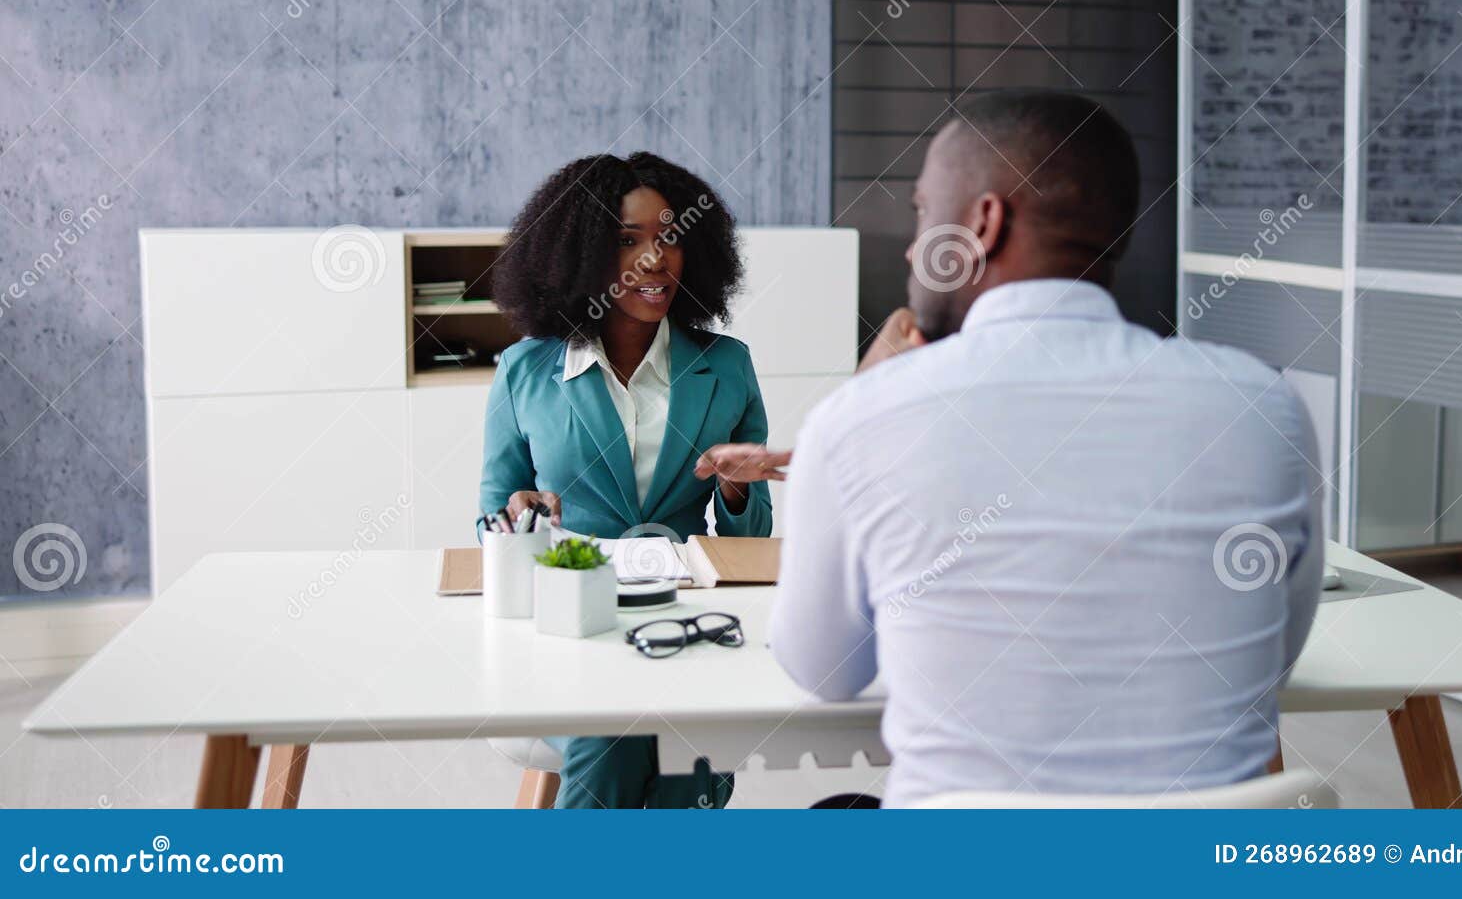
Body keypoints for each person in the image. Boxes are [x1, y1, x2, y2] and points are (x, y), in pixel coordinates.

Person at [770, 90, 1324, 808]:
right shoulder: (1264, 409)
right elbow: (1273, 660)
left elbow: (822, 670)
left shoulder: (860, 418)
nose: (912, 248)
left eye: (921, 213)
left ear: (983, 222)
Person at [481, 151, 789, 808]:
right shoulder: (525, 372)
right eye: (628, 240)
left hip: (684, 624)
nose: (657, 259)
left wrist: (736, 488)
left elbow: (752, 542)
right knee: (617, 726)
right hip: (570, 629)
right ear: (582, 253)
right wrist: (518, 516)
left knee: (690, 751)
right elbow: (490, 523)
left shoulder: (727, 368)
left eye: (671, 237)